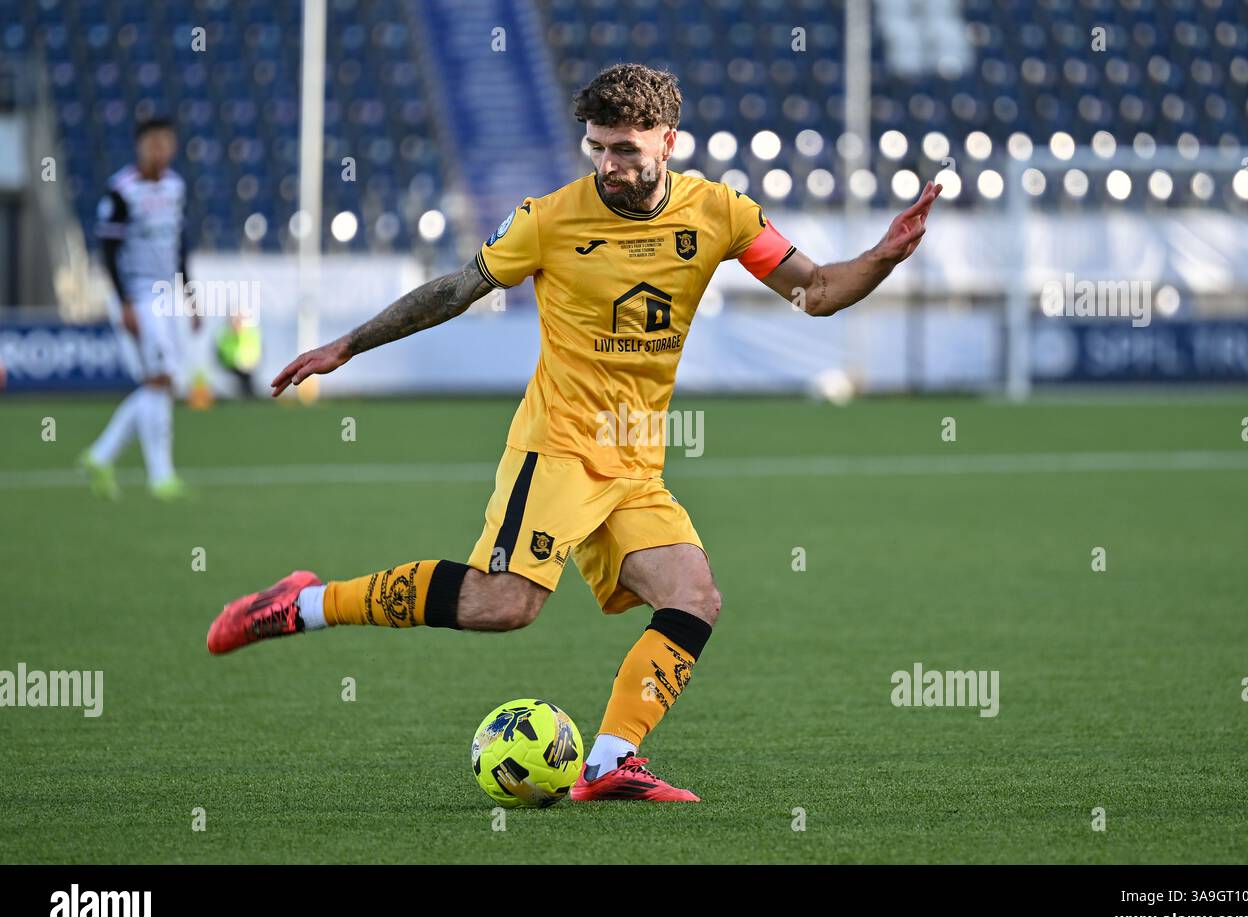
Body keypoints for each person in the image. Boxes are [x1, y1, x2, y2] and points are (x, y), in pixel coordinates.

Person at [206, 64, 938, 801]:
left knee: (694, 596)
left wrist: (881, 258)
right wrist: (348, 346)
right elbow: (457, 289)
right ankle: (303, 604)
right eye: (596, 148)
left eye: (625, 150)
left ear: (668, 141)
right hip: (556, 448)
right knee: (505, 606)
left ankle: (607, 762)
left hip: (635, 462)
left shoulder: (720, 212)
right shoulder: (550, 218)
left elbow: (815, 292)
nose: (608, 166)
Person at [79, 117, 198, 501]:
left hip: (164, 295)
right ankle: (161, 477)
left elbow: (179, 245)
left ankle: (101, 455)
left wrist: (190, 296)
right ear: (140, 147)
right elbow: (108, 252)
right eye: (154, 143)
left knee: (161, 382)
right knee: (161, 380)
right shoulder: (121, 192)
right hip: (138, 296)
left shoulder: (176, 187)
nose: (161, 150)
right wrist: (125, 302)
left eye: (167, 143)